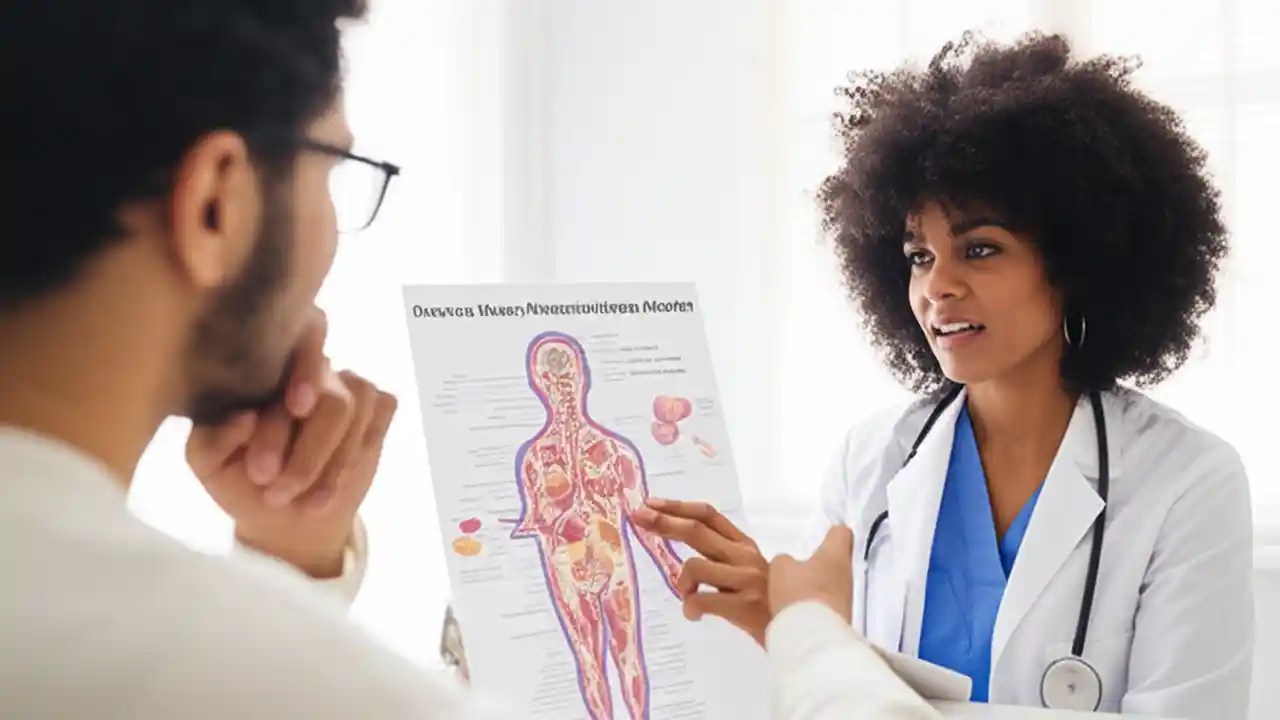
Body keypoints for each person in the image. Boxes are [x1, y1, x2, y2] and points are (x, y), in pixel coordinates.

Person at [0, 2, 947, 718]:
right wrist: (812, 628)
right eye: (334, 171)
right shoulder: (303, 685)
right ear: (217, 203)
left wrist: (287, 566)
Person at [634, 31, 1255, 719]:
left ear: (1079, 261)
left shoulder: (1187, 482)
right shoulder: (872, 460)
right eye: (918, 256)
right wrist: (783, 630)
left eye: (980, 249)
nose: (938, 288)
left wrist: (815, 639)